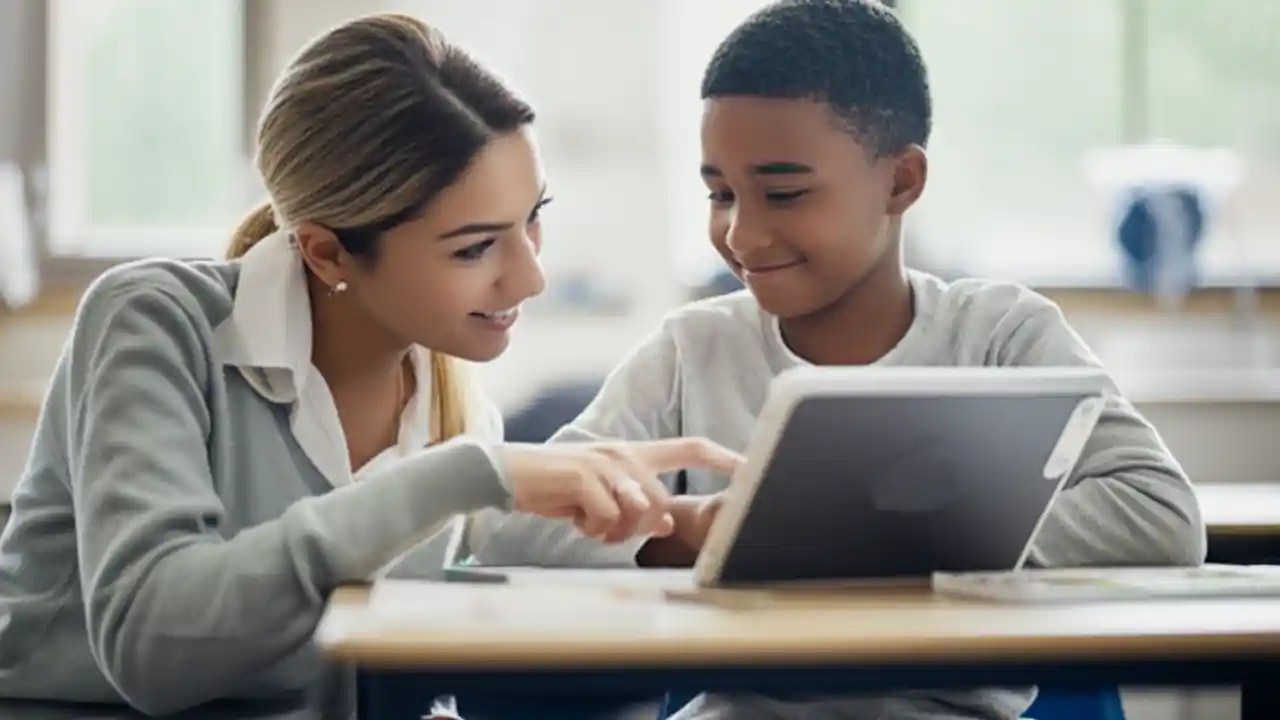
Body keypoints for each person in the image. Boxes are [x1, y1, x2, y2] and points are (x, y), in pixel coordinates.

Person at [470, 1, 1205, 717]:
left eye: (784, 194)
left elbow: (1161, 514)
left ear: (901, 182)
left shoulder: (1001, 335)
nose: (741, 235)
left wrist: (871, 541)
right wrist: (686, 532)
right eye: (721, 194)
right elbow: (505, 528)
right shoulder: (692, 351)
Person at [0, 14, 740, 717]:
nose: (530, 278)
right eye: (475, 248)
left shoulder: (448, 408)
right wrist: (464, 476)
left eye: (532, 219)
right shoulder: (155, 321)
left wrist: (681, 529)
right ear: (327, 253)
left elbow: (354, 649)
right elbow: (153, 653)